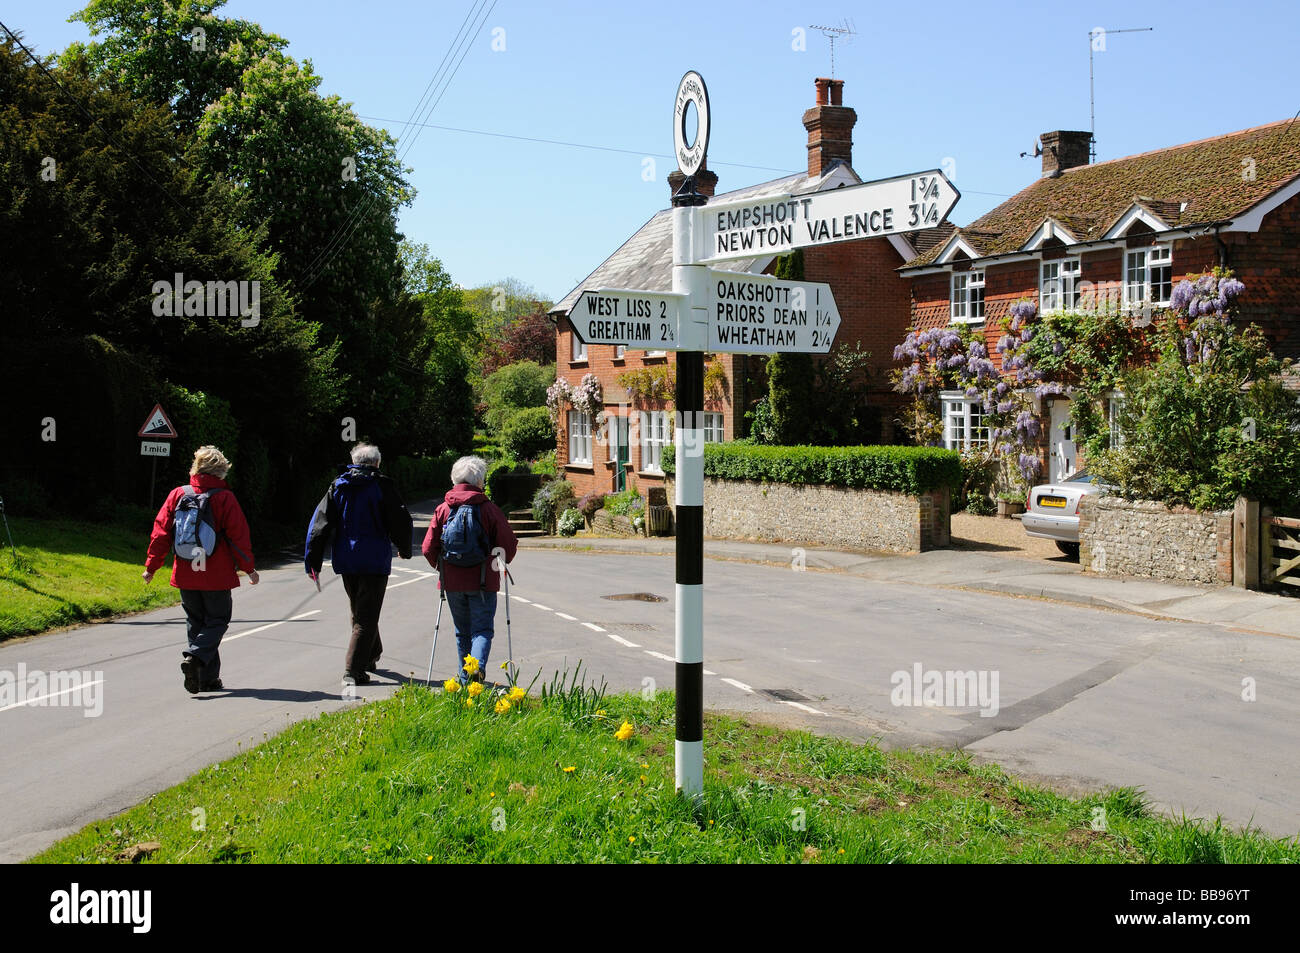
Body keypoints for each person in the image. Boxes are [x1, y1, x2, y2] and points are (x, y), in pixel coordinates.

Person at [145, 445, 258, 694]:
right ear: (221, 472)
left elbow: (161, 532)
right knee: (217, 620)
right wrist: (249, 569)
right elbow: (239, 537)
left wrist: (151, 566)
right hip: (216, 574)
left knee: (196, 623)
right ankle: (195, 659)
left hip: (186, 572)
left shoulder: (178, 494)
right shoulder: (225, 498)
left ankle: (205, 679)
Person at [305, 443, 413, 687]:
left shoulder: (339, 485)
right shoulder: (382, 485)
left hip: (346, 558)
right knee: (365, 615)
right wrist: (404, 549)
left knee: (360, 609)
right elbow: (399, 520)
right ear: (377, 463)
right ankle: (353, 671)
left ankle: (371, 655)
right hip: (374, 559)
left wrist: (313, 560)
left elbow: (319, 524)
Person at [422, 455, 518, 684]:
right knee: (482, 630)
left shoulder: (443, 509)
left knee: (461, 632)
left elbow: (427, 547)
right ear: (480, 481)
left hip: (452, 583)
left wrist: (443, 567)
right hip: (483, 581)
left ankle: (466, 681)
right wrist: (500, 562)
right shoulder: (489, 509)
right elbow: (508, 545)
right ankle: (477, 670)